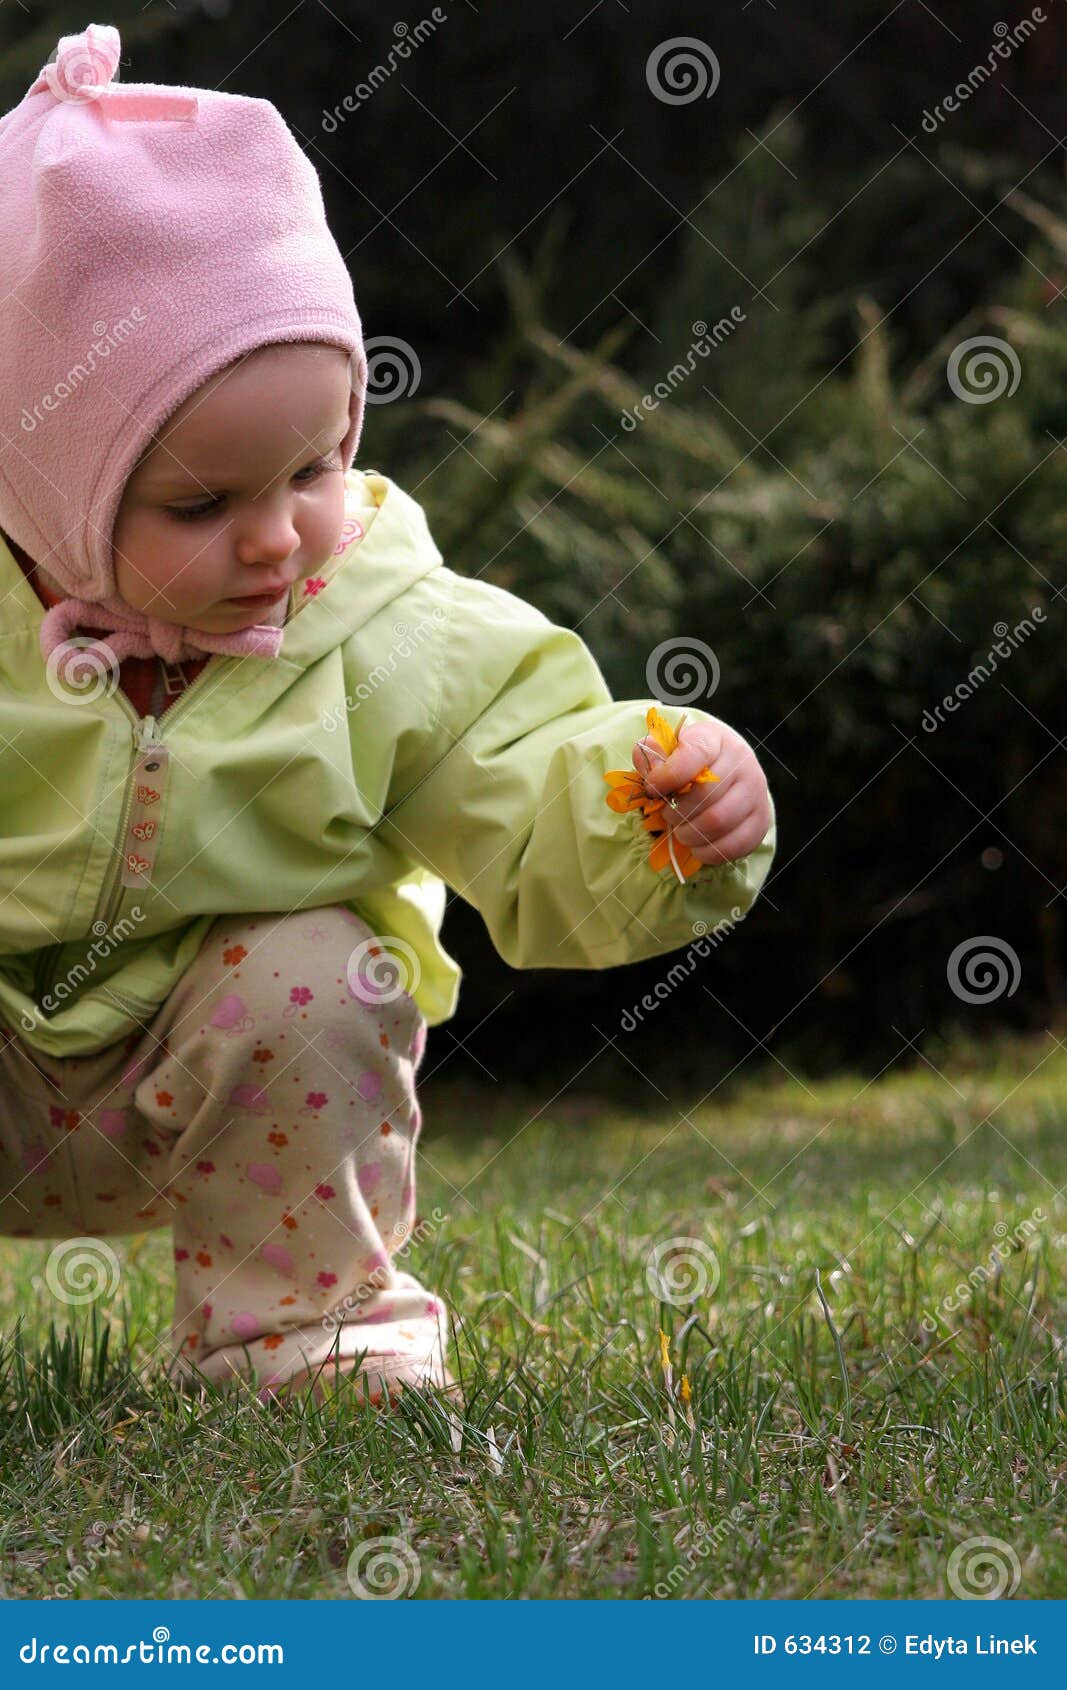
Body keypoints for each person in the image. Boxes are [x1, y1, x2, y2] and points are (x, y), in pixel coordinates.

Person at [0, 24, 775, 1408]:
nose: (275, 538)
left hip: (227, 1063)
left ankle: (301, 1334)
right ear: (45, 478)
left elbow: (518, 767)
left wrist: (646, 806)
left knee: (322, 963)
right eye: (202, 502)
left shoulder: (376, 622)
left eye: (314, 463)